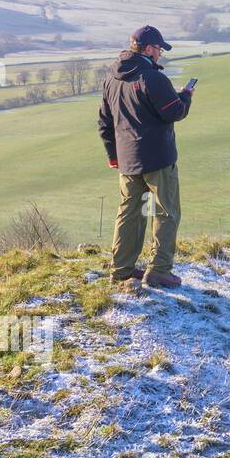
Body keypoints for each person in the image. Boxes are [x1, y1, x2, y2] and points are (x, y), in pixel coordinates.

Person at [97, 25, 193, 290]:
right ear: (149, 49)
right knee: (166, 211)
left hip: (127, 160)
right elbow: (173, 112)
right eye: (159, 49)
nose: (160, 54)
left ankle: (121, 270)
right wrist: (185, 96)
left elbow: (104, 122)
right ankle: (160, 270)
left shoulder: (111, 78)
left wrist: (113, 156)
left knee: (130, 212)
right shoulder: (152, 78)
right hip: (158, 159)